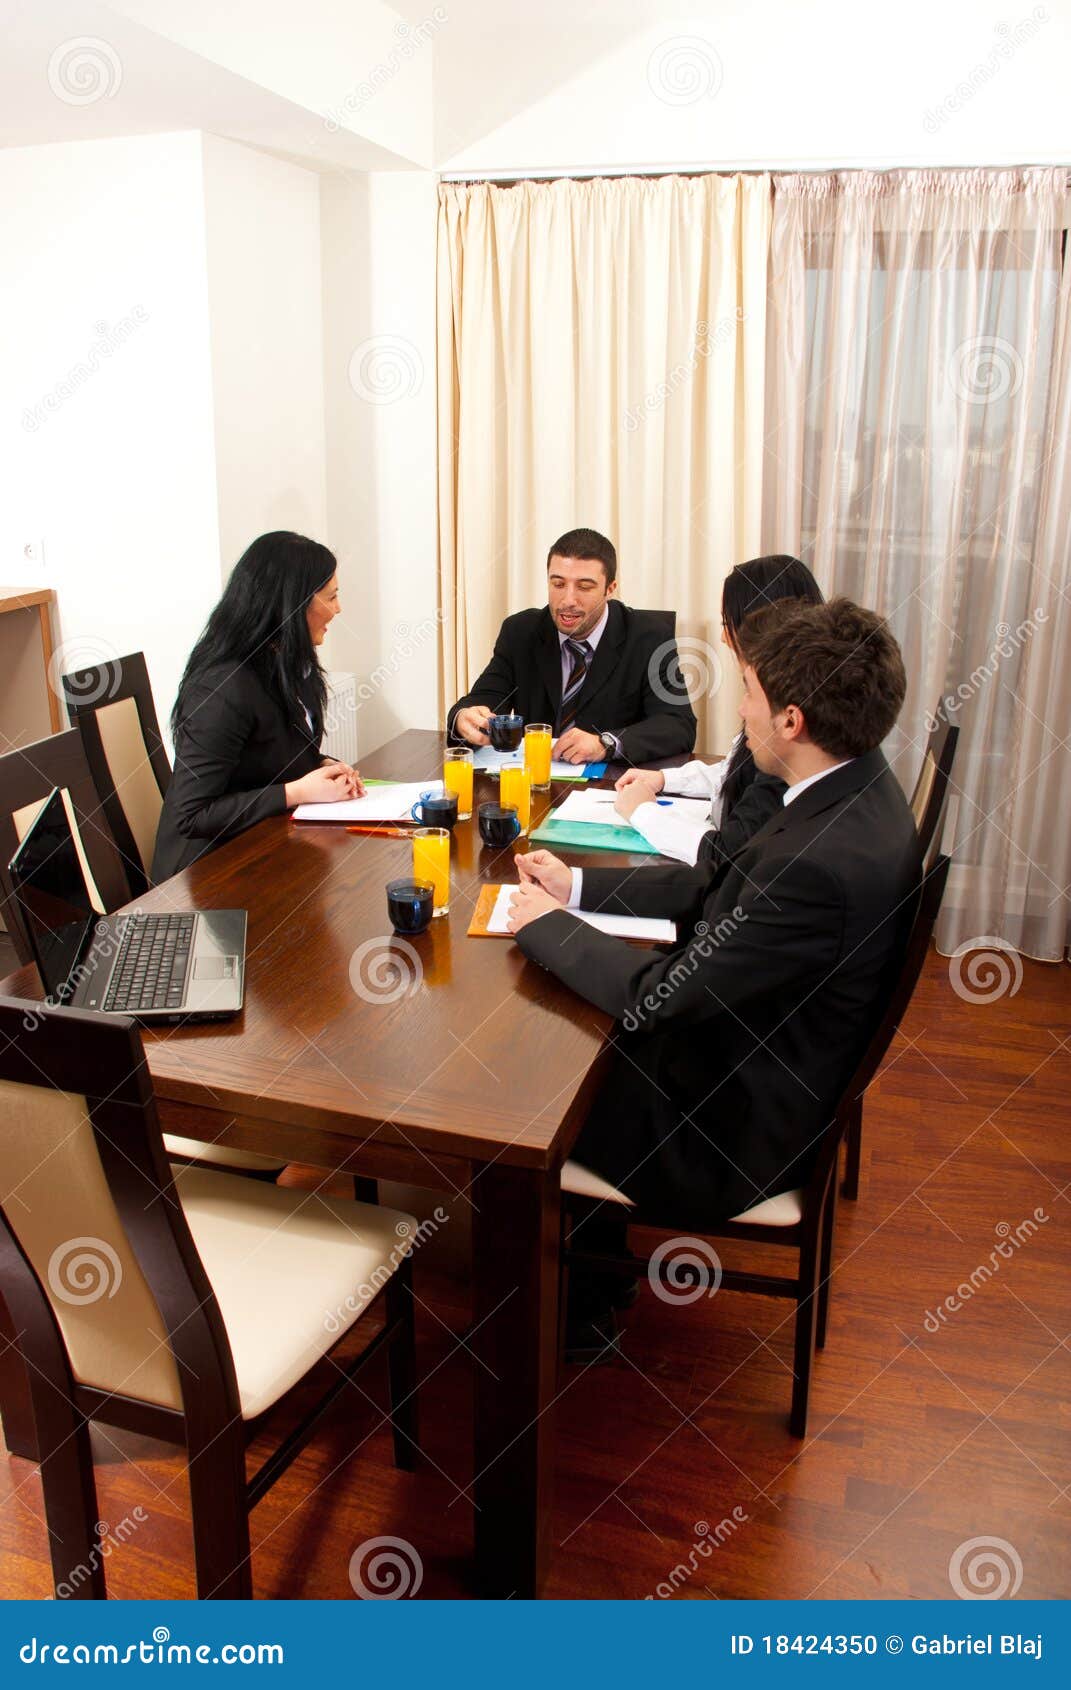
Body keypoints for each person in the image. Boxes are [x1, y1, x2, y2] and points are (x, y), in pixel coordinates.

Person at [506, 598, 921, 1347]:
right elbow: (712, 886)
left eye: (750, 696)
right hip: (762, 1056)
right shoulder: (849, 792)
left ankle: (571, 1307)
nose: (739, 711)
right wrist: (575, 888)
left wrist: (546, 929)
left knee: (527, 1087)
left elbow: (656, 1000)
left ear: (791, 721)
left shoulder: (814, 864)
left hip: (729, 1130)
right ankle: (592, 1280)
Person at [152, 532, 364, 882]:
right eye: (331, 597)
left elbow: (269, 754)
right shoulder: (222, 688)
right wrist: (297, 791)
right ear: (293, 605)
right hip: (203, 878)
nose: (338, 609)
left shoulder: (289, 662)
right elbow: (191, 815)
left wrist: (321, 766)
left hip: (262, 848)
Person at [613, 556, 824, 867]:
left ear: (762, 623)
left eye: (728, 624)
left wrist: (643, 812)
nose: (724, 637)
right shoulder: (798, 689)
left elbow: (727, 855)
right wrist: (663, 779)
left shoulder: (791, 730)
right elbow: (737, 772)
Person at [447, 528, 696, 766]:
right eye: (558, 584)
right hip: (535, 784)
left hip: (610, 788)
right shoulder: (521, 631)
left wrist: (605, 743)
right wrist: (462, 718)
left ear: (610, 589)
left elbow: (678, 725)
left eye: (584, 587)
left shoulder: (649, 637)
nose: (567, 600)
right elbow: (481, 701)